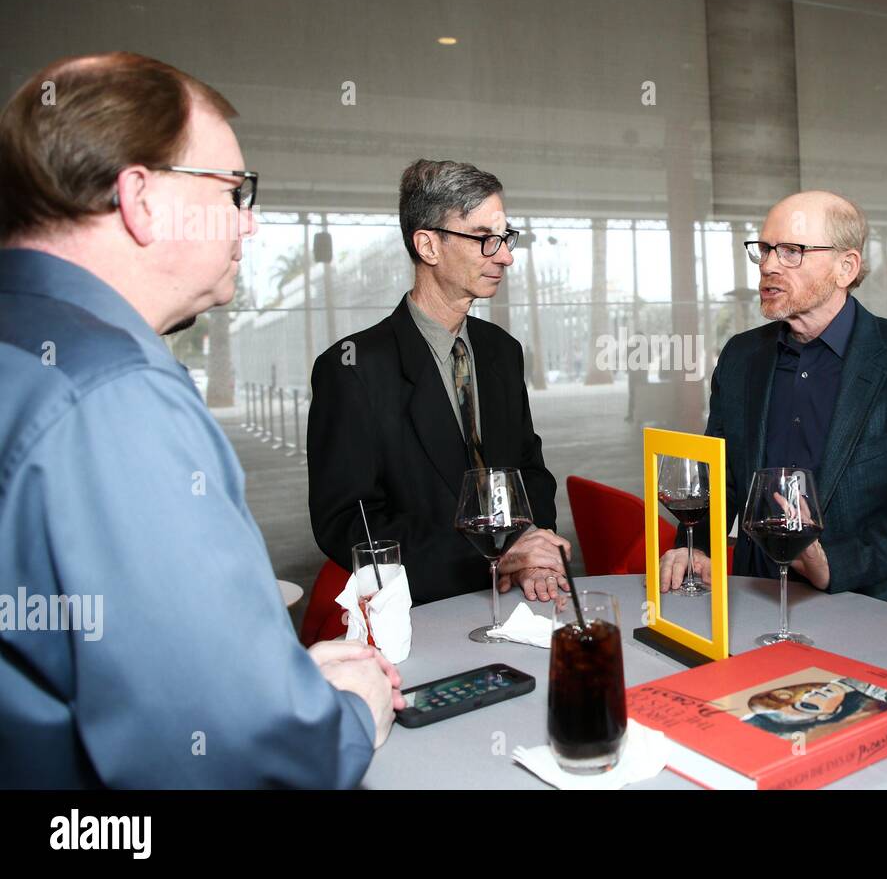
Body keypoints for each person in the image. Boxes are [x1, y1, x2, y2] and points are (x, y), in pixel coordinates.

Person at [0, 52, 401, 787]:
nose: (249, 225)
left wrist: (264, 685)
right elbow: (231, 761)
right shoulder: (113, 395)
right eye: (235, 191)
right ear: (143, 199)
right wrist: (342, 716)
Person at [659, 191, 887, 605]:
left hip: (876, 608)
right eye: (764, 249)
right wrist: (696, 545)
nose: (768, 265)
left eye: (790, 251)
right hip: (758, 598)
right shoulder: (741, 356)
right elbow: (723, 476)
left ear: (846, 267)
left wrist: (832, 562)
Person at [308, 160, 569, 606]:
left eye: (505, 238)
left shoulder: (502, 352)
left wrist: (535, 551)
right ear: (428, 245)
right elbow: (351, 528)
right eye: (485, 238)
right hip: (425, 609)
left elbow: (531, 472)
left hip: (516, 601)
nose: (505, 255)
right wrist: (496, 557)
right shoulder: (352, 369)